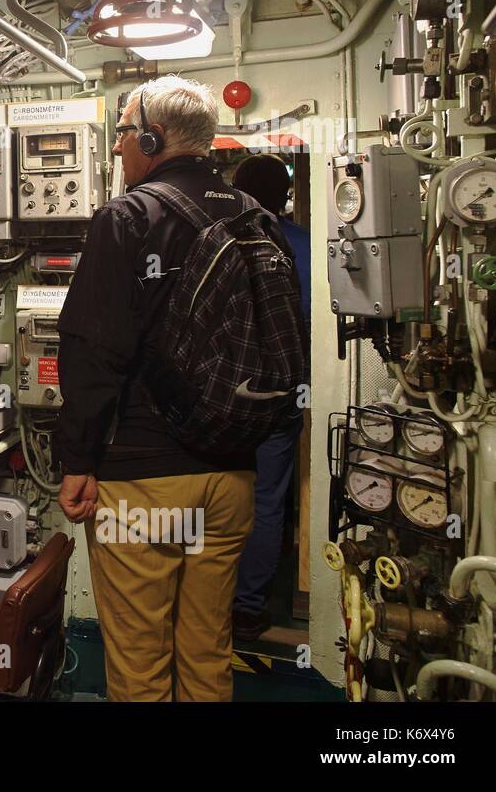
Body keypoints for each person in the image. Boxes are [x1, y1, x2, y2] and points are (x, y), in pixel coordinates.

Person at [53, 75, 257, 701]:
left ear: (151, 136)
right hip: (230, 481)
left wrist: (77, 460)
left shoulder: (128, 217)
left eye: (121, 133)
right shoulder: (252, 216)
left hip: (143, 486)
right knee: (206, 652)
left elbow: (95, 350)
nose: (116, 149)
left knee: (139, 668)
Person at [229, 154, 309, 640]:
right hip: (282, 394)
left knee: (215, 492)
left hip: (219, 399)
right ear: (286, 196)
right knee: (265, 499)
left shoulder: (212, 240)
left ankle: (205, 598)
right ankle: (250, 607)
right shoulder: (305, 245)